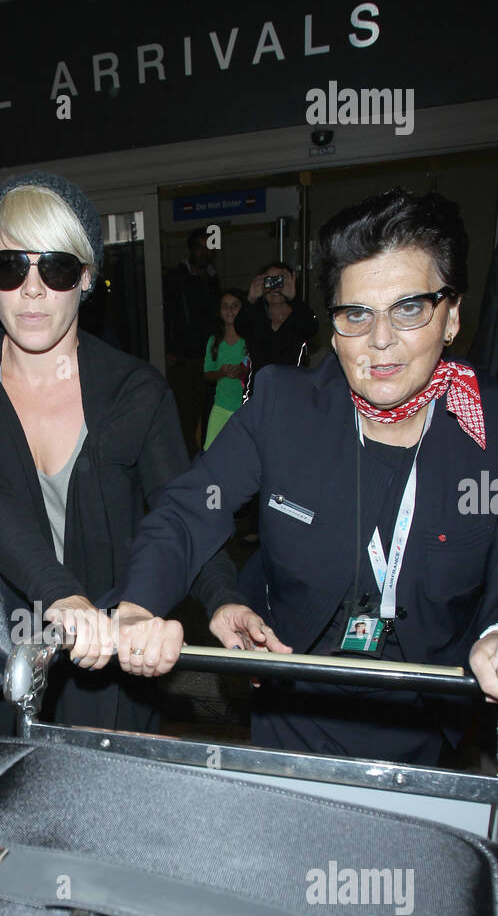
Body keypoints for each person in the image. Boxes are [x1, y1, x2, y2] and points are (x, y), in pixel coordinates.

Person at [89, 188, 498, 764]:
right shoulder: (283, 406)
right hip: (293, 711)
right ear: (333, 329)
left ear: (451, 316)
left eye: (409, 308)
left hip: (426, 720)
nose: (380, 340)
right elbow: (192, 507)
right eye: (357, 314)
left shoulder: (488, 430)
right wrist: (137, 605)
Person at [0, 170, 221, 734]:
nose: (32, 288)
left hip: (114, 655)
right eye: (11, 267)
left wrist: (225, 600)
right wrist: (63, 599)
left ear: (85, 278)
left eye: (55, 267)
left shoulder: (137, 389)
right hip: (8, 648)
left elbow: (180, 510)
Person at [164, 228, 220, 454]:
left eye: (208, 248)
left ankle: (204, 459)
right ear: (191, 249)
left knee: (209, 411)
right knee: (185, 416)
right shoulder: (177, 277)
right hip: (184, 357)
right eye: (200, 247)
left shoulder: (213, 279)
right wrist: (170, 347)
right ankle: (186, 464)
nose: (204, 253)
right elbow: (167, 313)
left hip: (209, 356)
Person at [235, 262, 317, 376]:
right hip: (260, 388)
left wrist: (294, 298)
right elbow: (240, 327)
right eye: (269, 281)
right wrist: (250, 299)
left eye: (279, 281)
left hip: (293, 385)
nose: (275, 288)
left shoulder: (299, 315)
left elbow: (312, 327)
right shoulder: (255, 315)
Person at [203, 289, 250, 447]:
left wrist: (242, 371)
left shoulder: (249, 340)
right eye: (225, 306)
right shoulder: (214, 341)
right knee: (209, 450)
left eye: (235, 306)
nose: (230, 310)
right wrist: (221, 372)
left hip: (244, 408)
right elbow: (207, 374)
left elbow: (257, 369)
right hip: (221, 407)